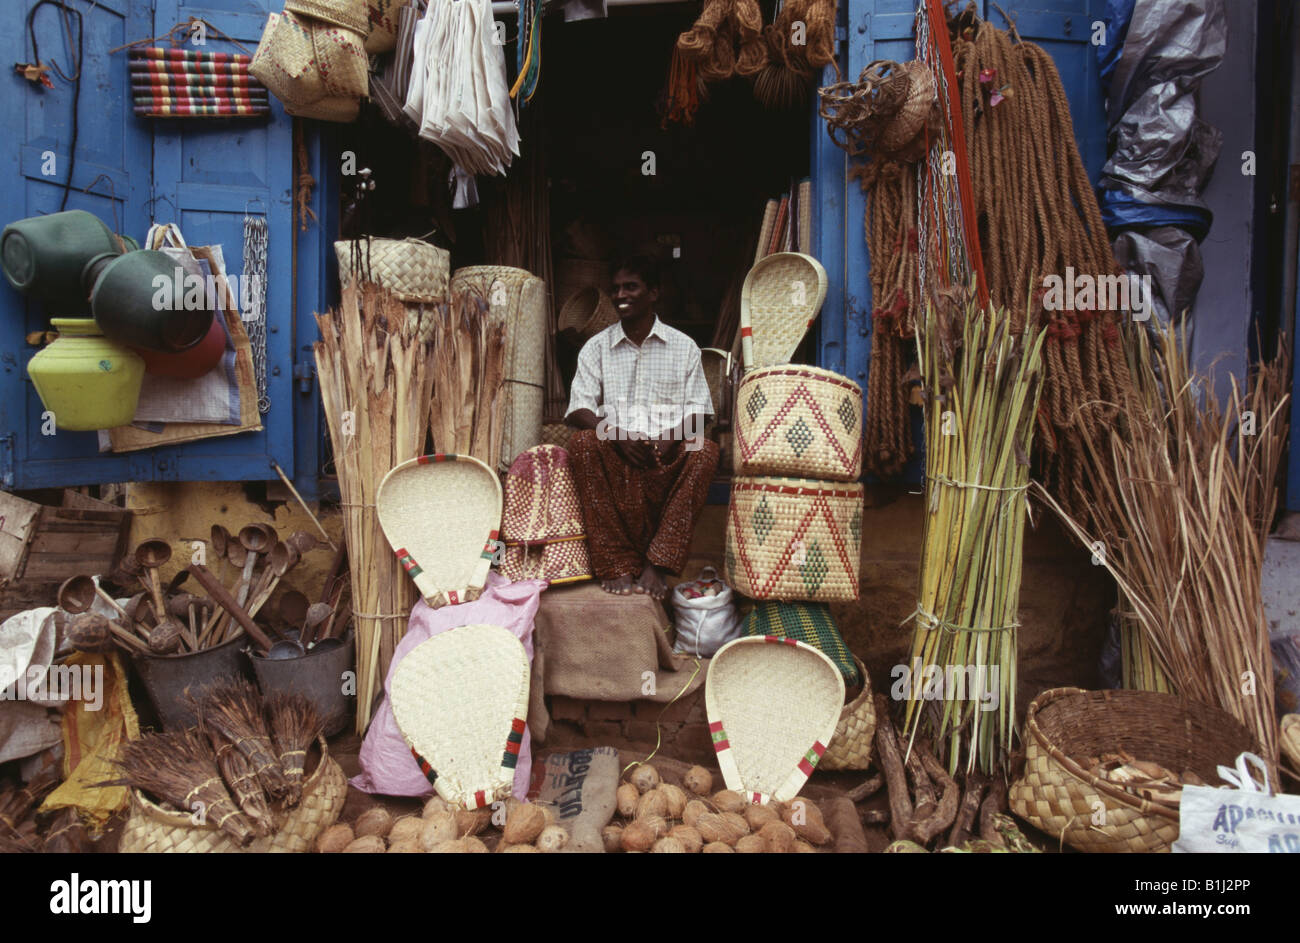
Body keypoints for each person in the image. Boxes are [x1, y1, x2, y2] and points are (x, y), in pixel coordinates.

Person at [565, 256, 720, 600]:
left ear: (653, 293)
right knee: (582, 444)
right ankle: (616, 563)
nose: (621, 294)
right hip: (617, 448)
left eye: (631, 287)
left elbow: (700, 413)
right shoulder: (596, 347)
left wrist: (670, 439)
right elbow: (579, 408)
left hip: (665, 454)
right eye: (616, 288)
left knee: (704, 449)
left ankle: (658, 565)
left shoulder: (683, 347)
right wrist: (617, 436)